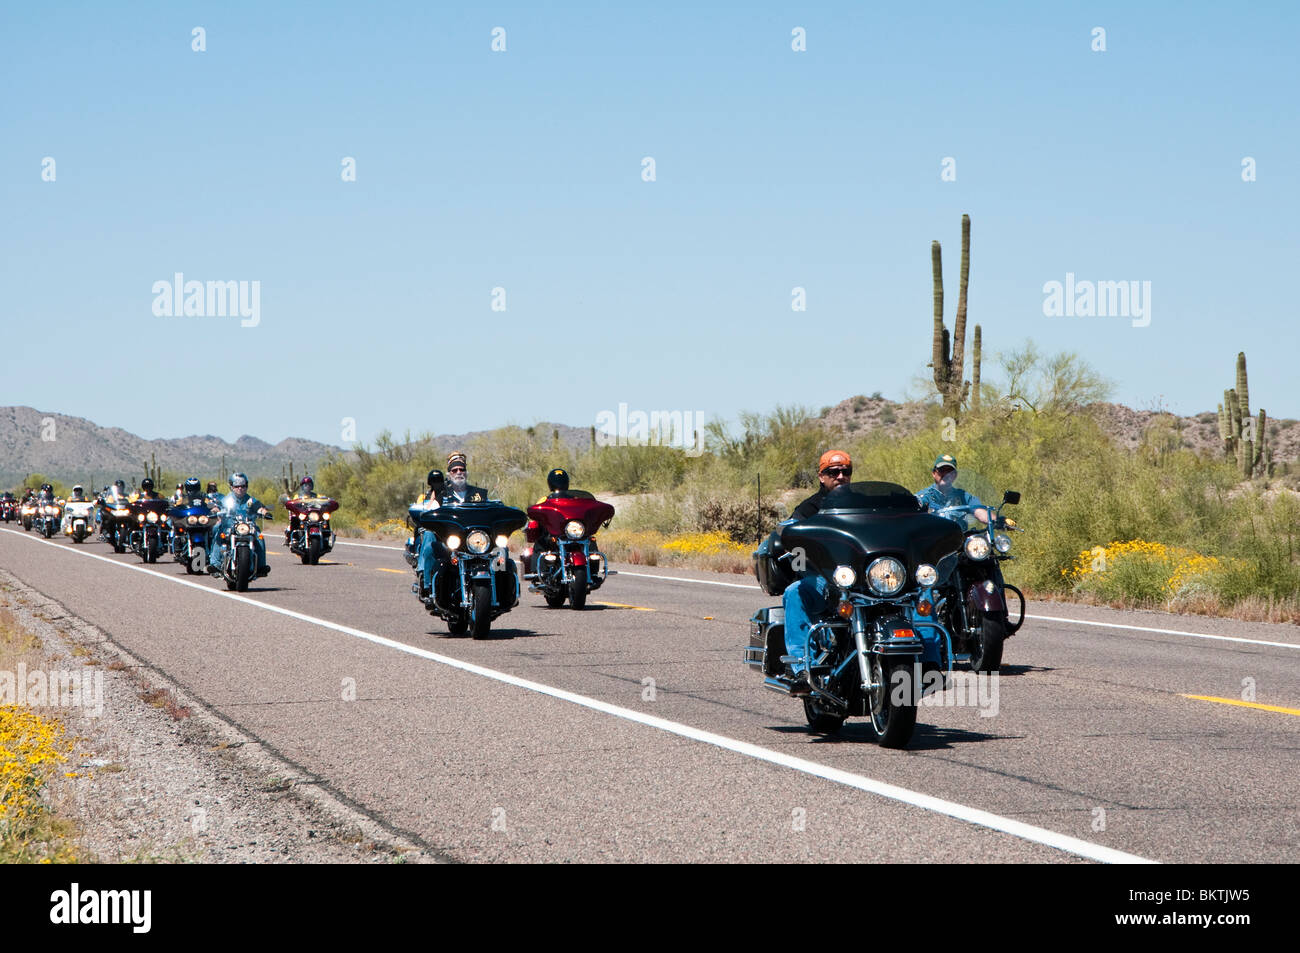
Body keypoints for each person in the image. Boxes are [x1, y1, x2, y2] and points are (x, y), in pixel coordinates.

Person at [780, 450, 857, 694]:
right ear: (821, 476)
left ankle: (927, 662)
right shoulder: (809, 508)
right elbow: (791, 534)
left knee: (921, 589)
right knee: (795, 592)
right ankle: (802, 668)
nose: (841, 476)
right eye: (834, 472)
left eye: (846, 471)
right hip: (825, 578)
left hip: (866, 579)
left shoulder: (864, 502)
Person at [208, 473, 272, 578]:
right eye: (237, 486)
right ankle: (215, 564)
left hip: (248, 526)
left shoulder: (250, 500)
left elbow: (259, 508)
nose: (240, 488)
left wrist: (265, 513)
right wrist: (215, 511)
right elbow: (218, 507)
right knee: (218, 532)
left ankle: (261, 566)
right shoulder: (226, 499)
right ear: (231, 487)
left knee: (260, 537)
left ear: (247, 486)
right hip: (229, 525)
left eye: (243, 486)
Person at [915, 454, 989, 525]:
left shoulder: (963, 496)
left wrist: (996, 521)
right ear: (934, 473)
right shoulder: (924, 497)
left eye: (950, 471)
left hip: (960, 536)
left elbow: (980, 512)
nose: (946, 474)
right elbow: (912, 512)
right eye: (941, 470)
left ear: (955, 475)